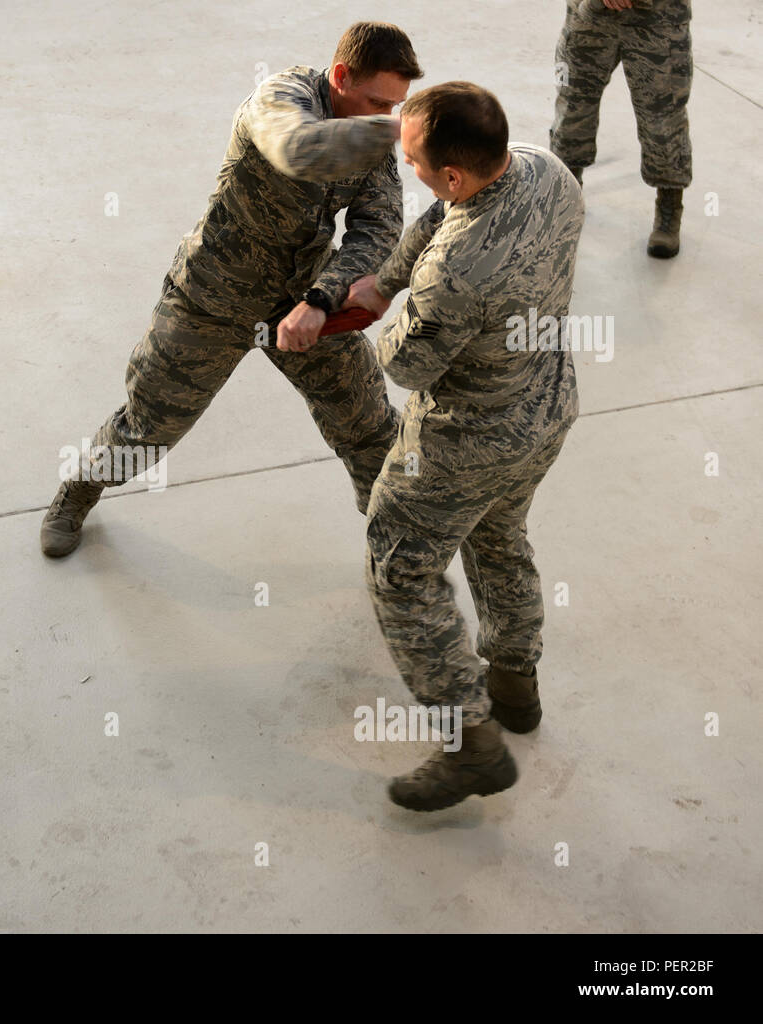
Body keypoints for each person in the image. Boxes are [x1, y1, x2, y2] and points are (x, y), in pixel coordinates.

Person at [40, 22, 424, 557]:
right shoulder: (281, 99)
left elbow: (377, 229)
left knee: (368, 424)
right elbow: (300, 150)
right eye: (377, 102)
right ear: (340, 76)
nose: (384, 115)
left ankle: (394, 538)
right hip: (212, 298)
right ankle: (78, 491)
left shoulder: (371, 133)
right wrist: (400, 127)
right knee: (148, 428)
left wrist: (322, 297)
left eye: (394, 107)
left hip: (301, 301)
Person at [345, 82, 585, 811]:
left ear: (451, 172)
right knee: (499, 537)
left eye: (413, 159)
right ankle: (514, 685)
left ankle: (470, 744)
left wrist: (388, 310)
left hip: (463, 443)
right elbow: (443, 213)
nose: (406, 165)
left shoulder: (454, 273)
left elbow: (405, 366)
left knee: (400, 570)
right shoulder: (546, 169)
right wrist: (389, 278)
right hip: (545, 407)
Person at [549, 0, 692, 257]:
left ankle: (669, 207)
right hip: (590, 14)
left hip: (658, 19)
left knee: (663, 119)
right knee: (573, 108)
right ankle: (566, 193)